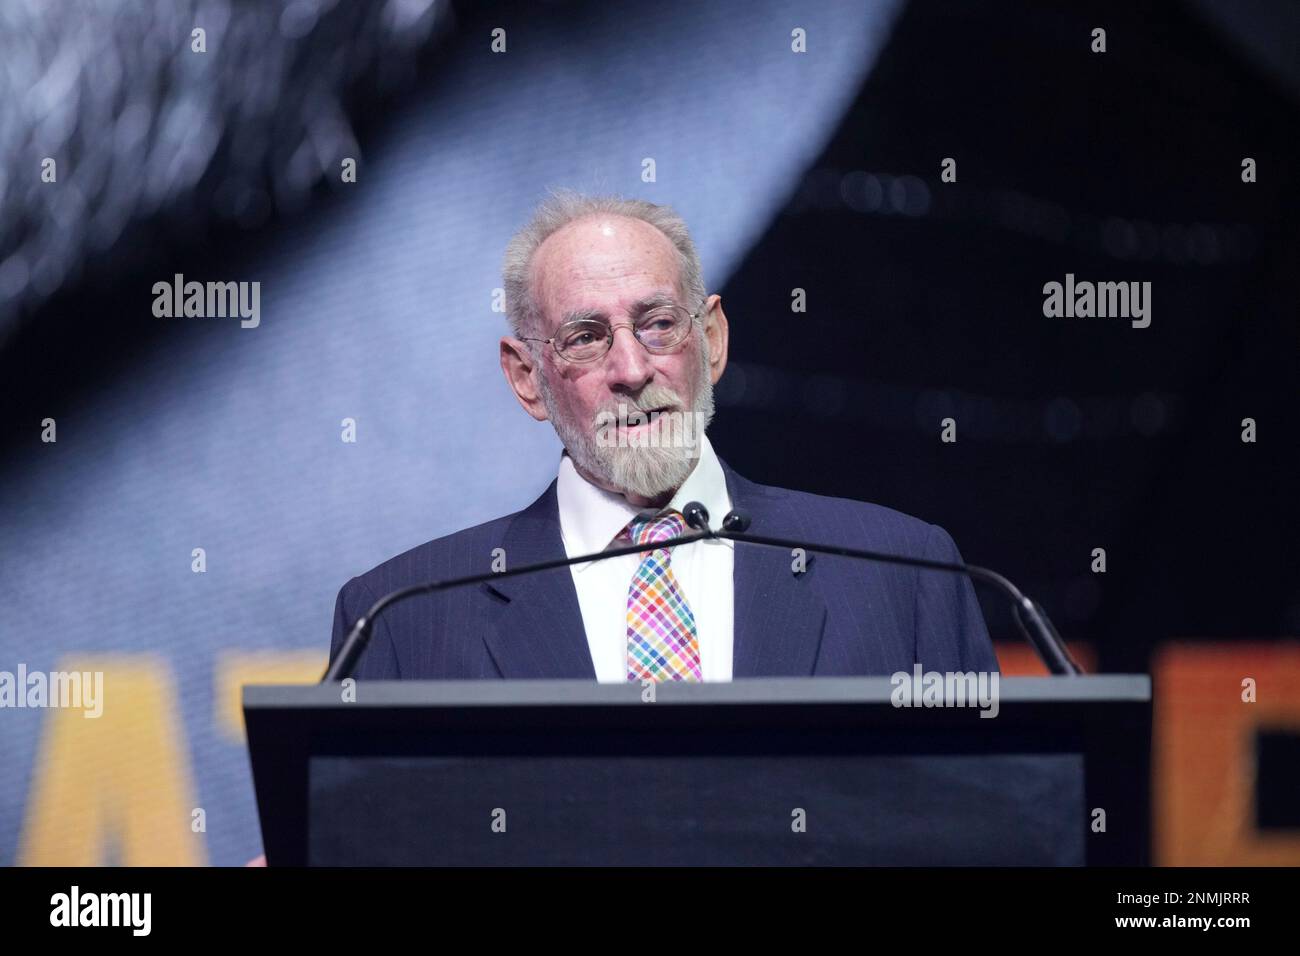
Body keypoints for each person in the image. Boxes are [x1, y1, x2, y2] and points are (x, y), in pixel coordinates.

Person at [328, 190, 996, 681]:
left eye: (658, 324)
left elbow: (987, 829)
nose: (632, 369)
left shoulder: (903, 577)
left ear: (711, 339)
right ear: (528, 377)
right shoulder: (401, 620)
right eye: (586, 339)